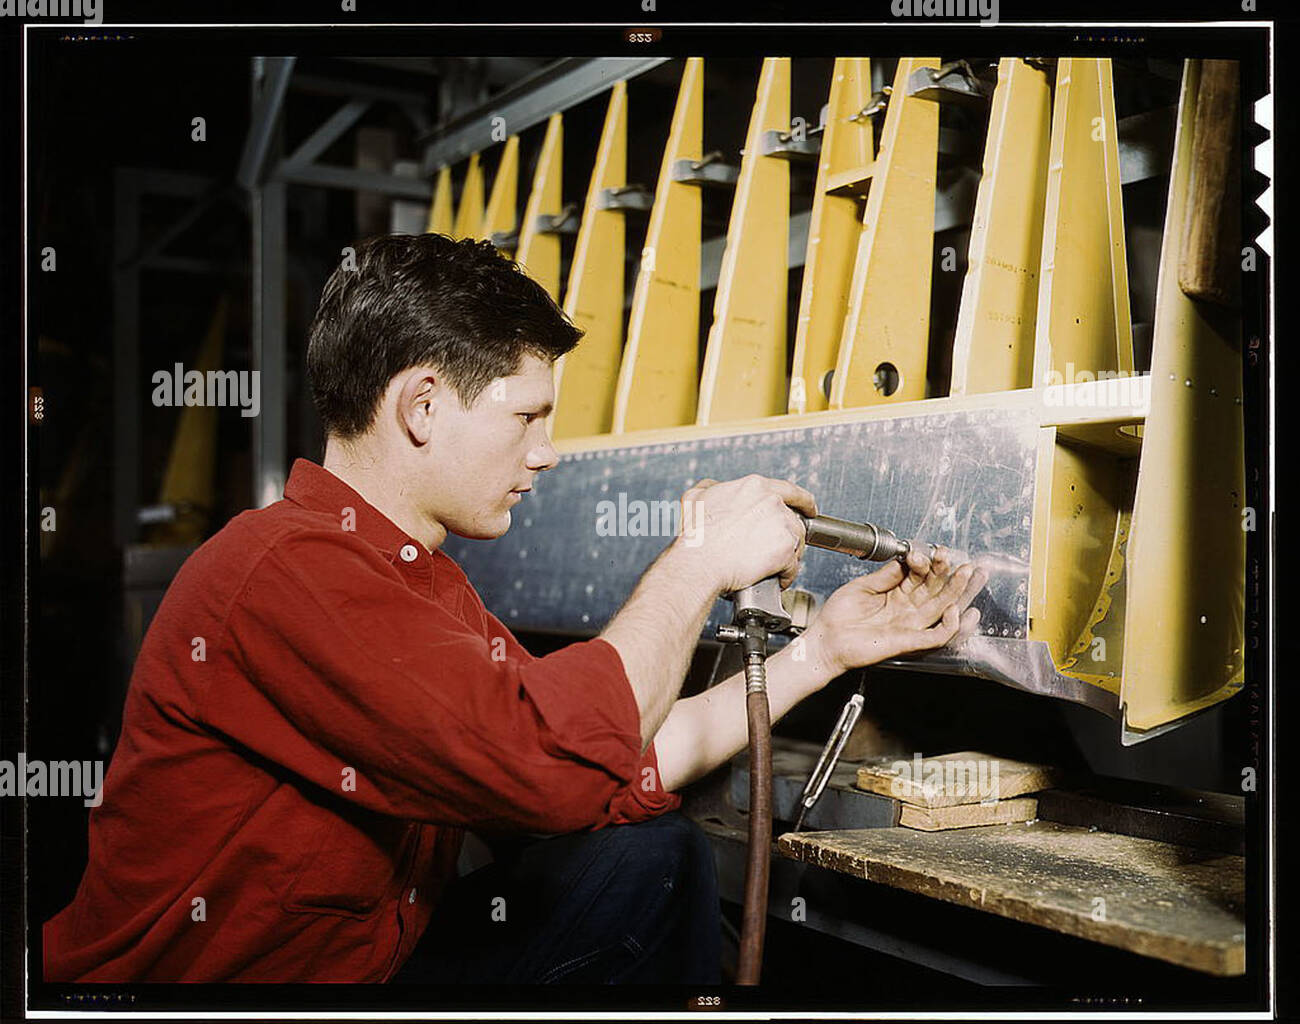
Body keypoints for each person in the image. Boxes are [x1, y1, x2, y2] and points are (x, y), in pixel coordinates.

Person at [44, 233, 985, 985]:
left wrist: (820, 651)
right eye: (526, 416)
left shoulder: (417, 582)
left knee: (647, 857)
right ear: (421, 406)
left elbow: (604, 758)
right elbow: (547, 764)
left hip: (357, 974)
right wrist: (696, 563)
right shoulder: (282, 572)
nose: (545, 452)